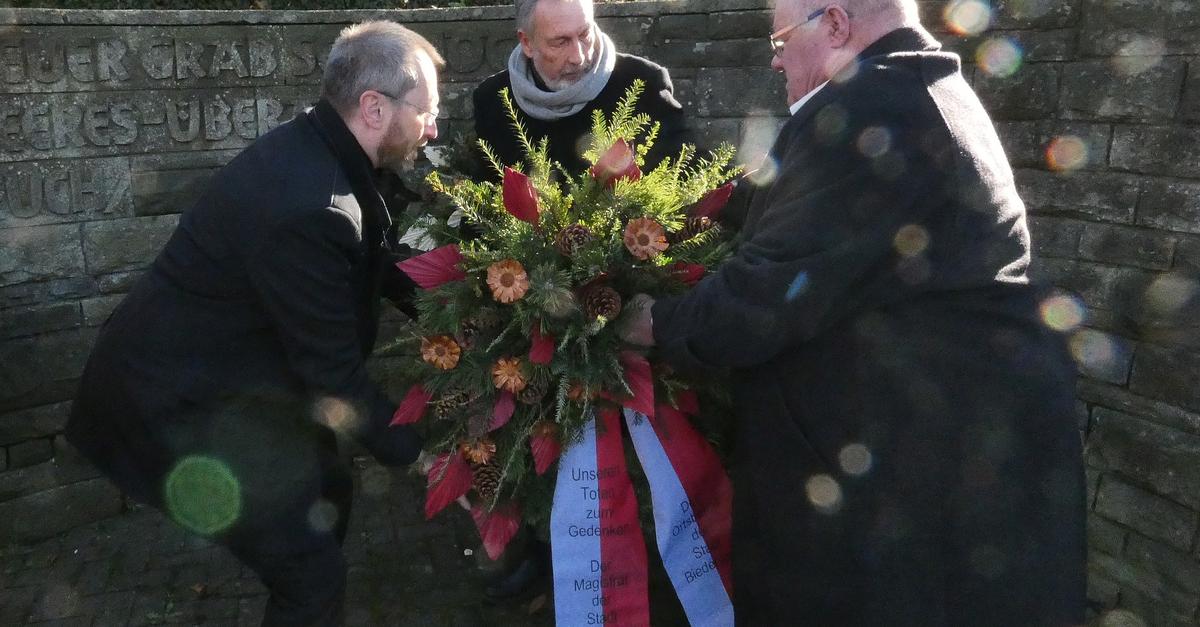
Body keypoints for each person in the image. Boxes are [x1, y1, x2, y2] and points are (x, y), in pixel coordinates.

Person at [619, 0, 1086, 623]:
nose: (777, 57)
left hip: (912, 485)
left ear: (835, 24)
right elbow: (792, 214)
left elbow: (769, 291)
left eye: (781, 38)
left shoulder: (878, 108)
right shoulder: (908, 91)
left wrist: (649, 321)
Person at [65, 21, 443, 626]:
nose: (434, 126)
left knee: (329, 486)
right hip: (172, 404)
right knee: (310, 571)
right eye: (427, 110)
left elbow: (384, 258)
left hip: (230, 378)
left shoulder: (324, 149)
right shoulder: (309, 205)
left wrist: (464, 316)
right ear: (375, 107)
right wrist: (423, 454)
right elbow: (331, 373)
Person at [472, 0, 692, 177]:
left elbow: (686, 171)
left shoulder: (643, 82)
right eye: (560, 42)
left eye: (585, 34)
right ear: (527, 43)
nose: (578, 57)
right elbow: (484, 200)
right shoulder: (493, 100)